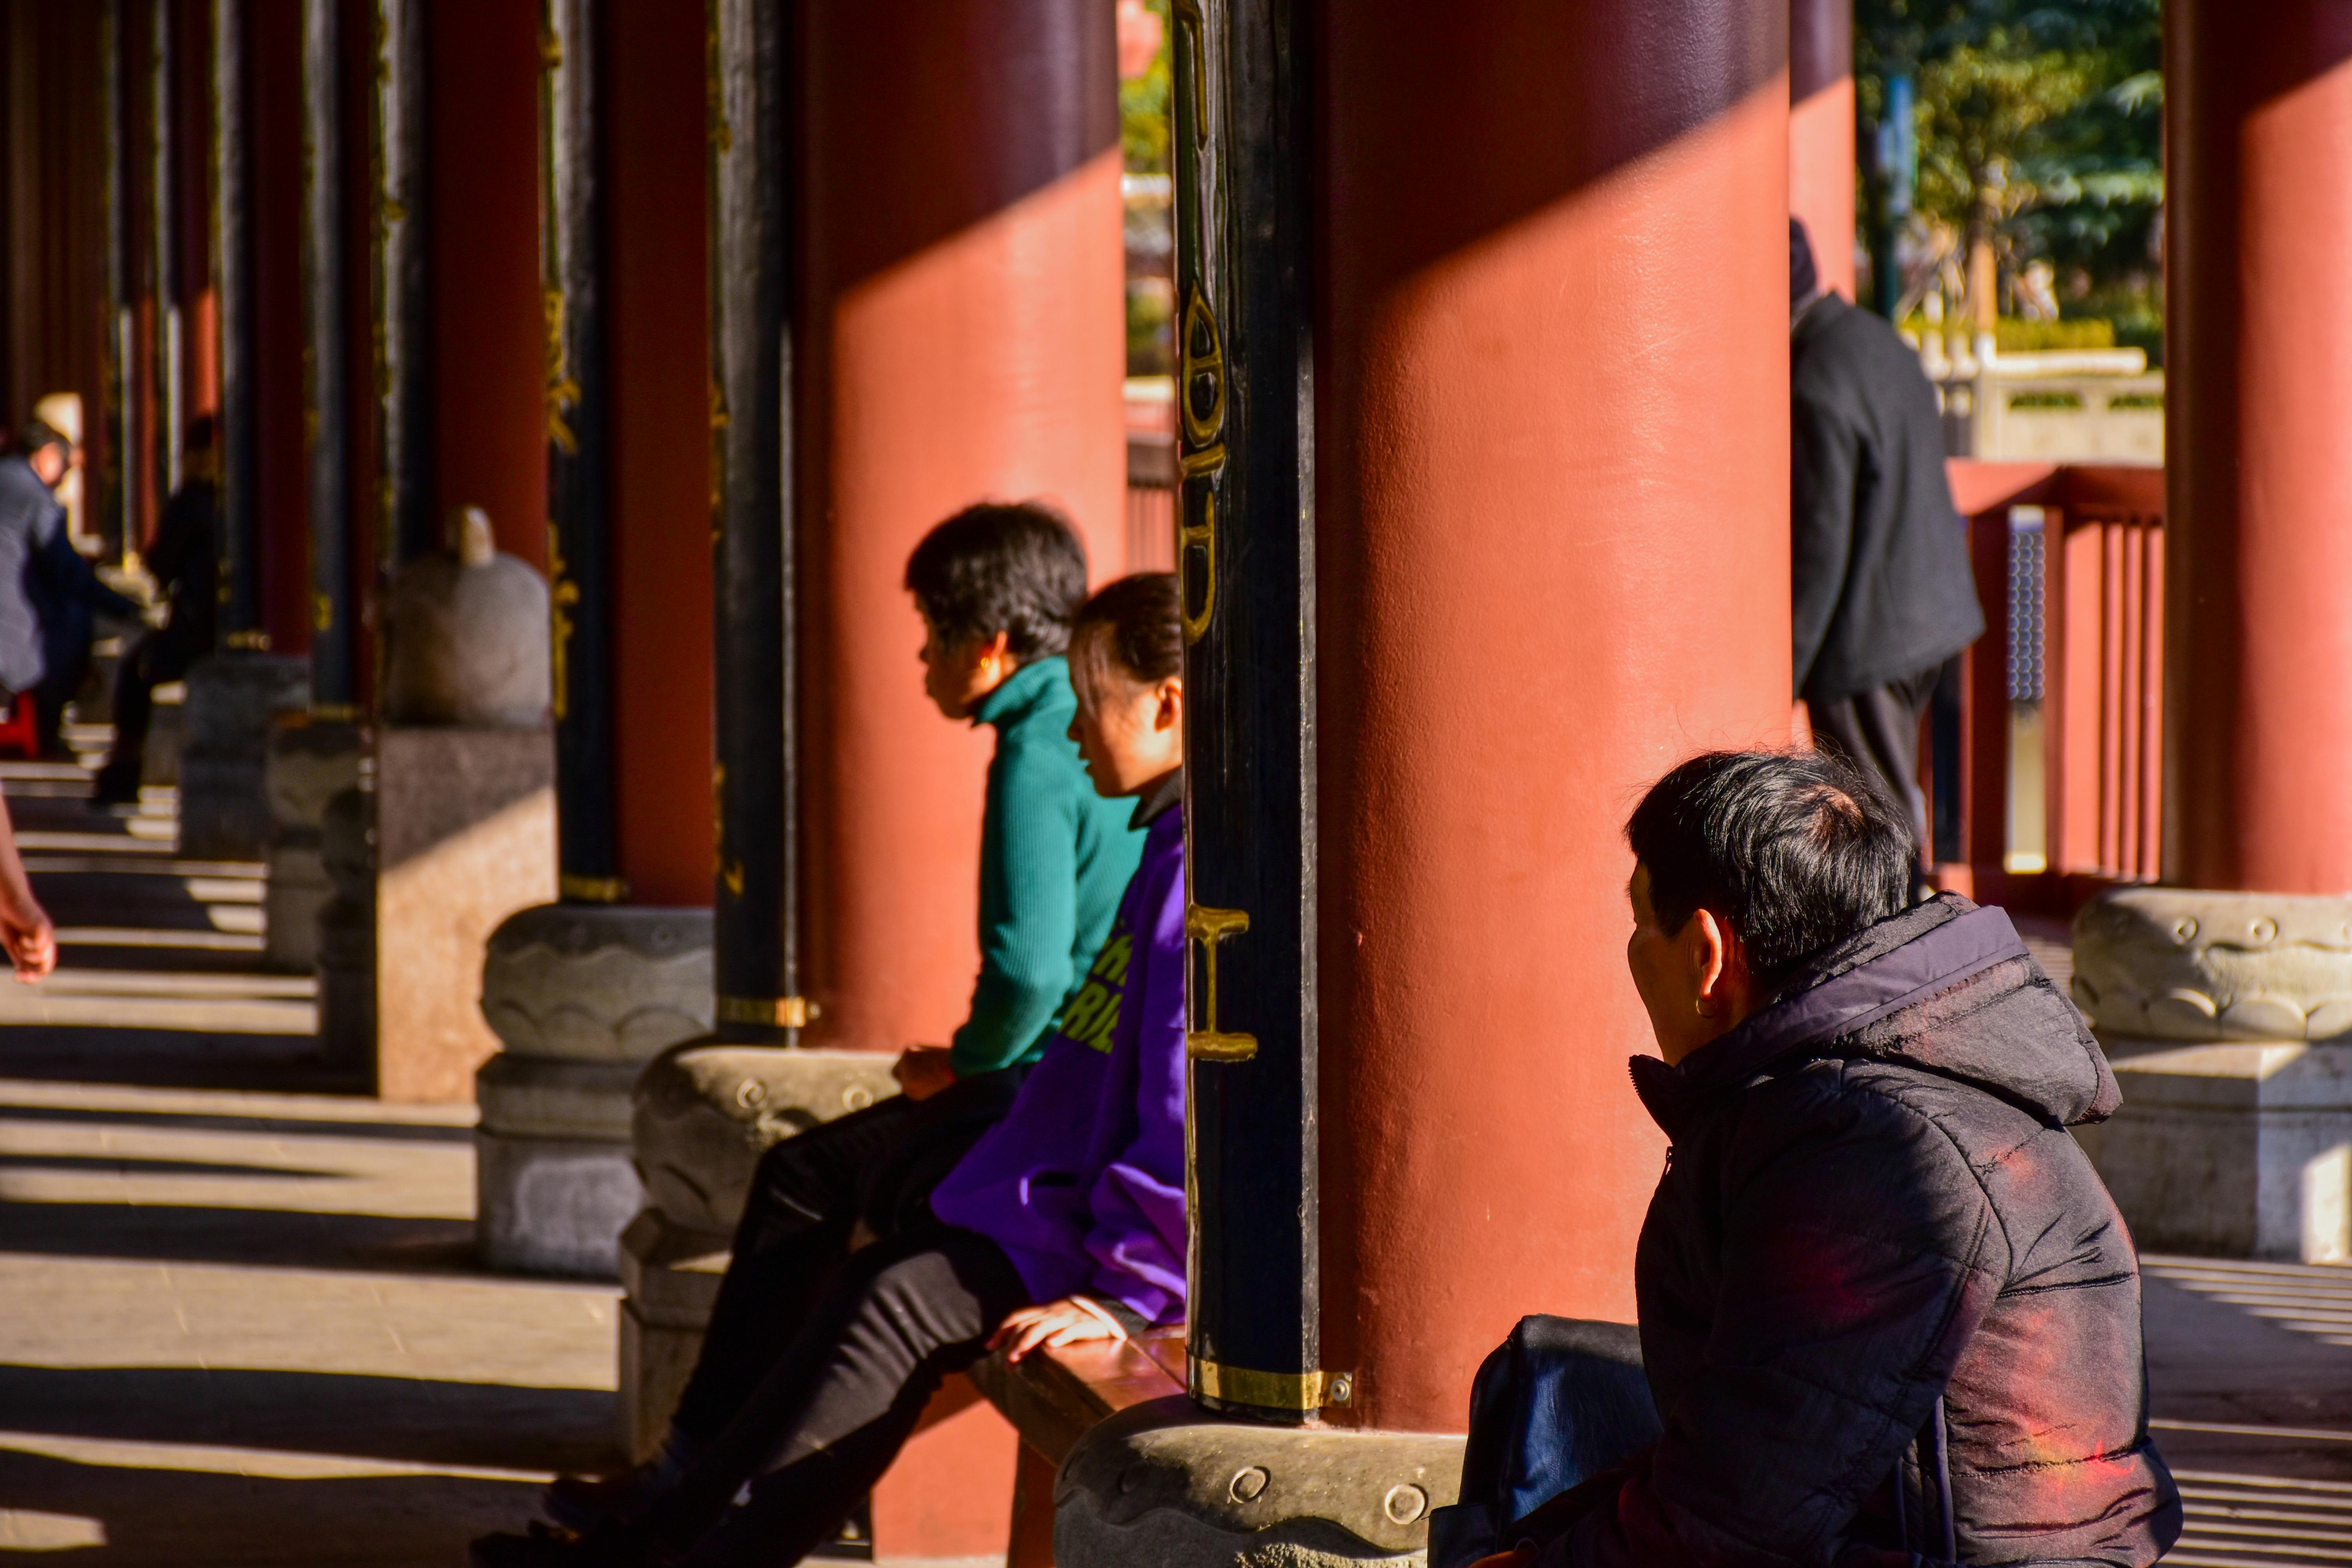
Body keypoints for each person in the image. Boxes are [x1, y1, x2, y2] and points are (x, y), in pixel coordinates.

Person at [473, 570, 1191, 1568]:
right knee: (874, 1269)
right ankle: (657, 1538)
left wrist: (1129, 1288)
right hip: (1047, 1191)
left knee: (889, 1290)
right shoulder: (1170, 841)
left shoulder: (1194, 867)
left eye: (1092, 700)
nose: (1075, 732)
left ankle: (664, 1542)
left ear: (1168, 704)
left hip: (1093, 1240)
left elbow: (1177, 1106)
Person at [1466, 750, 2179, 1568]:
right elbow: (1748, 1431)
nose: (1632, 947)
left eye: (1639, 920)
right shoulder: (1841, 1102)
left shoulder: (1873, 1146)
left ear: (1707, 951)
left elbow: (1743, 1507)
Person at [1790, 218, 1983, 859]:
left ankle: (1901, 954)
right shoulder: (1878, 341)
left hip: (1869, 637)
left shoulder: (1813, 381)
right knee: (1904, 810)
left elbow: (1820, 551)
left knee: (1875, 827)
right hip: (1937, 612)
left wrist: (1781, 670)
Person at [91, 416, 218, 806]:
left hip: (198, 626)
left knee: (136, 669)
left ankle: (125, 769)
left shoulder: (192, 501)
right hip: (228, 623)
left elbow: (161, 562)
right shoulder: (250, 497)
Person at [0, 415, 72, 707]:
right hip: (10, 640)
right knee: (70, 618)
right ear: (48, 457)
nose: (65, 478)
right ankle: (47, 723)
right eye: (65, 467)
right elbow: (64, 568)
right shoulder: (34, 495)